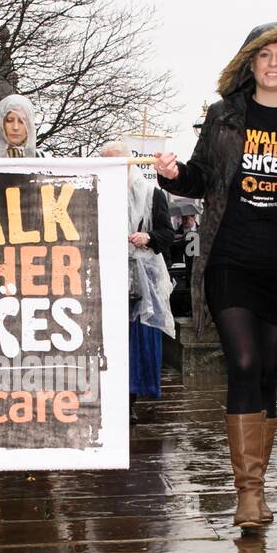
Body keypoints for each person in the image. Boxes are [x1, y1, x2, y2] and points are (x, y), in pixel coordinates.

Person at [155, 22, 277, 528]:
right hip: (230, 258)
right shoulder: (223, 117)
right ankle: (248, 494)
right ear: (250, 64)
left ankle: (257, 487)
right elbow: (201, 178)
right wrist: (172, 174)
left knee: (266, 370)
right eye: (265, 55)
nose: (275, 63)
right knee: (242, 361)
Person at [101, 141, 175, 422]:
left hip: (143, 280)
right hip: (108, 274)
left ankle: (130, 398)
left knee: (137, 338)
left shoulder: (152, 194)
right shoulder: (98, 193)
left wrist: (148, 238)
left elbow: (167, 234)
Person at [0, 93, 45, 158]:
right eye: (9, 120)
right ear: (1, 124)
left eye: (22, 121)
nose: (15, 127)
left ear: (29, 125)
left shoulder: (44, 162)